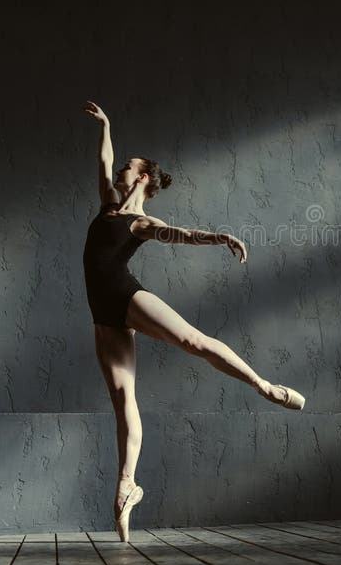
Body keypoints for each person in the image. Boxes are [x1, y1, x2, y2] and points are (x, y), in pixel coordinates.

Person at [82, 100, 306, 541]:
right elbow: (103, 158)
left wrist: (218, 237)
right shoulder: (109, 203)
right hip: (102, 314)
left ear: (143, 177)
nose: (120, 168)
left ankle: (265, 386)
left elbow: (181, 236)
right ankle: (128, 486)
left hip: (125, 297)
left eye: (130, 166)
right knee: (125, 399)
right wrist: (106, 125)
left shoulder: (141, 222)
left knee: (194, 342)